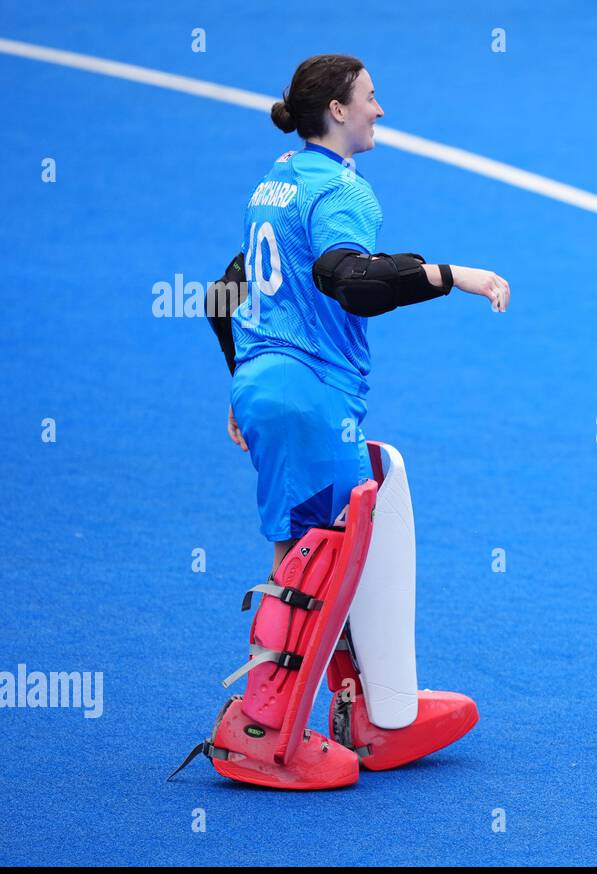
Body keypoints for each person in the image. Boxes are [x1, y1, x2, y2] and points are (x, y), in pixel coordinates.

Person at [179, 54, 508, 789]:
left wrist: (245, 384)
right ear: (335, 109)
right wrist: (453, 276)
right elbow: (351, 282)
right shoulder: (339, 189)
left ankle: (362, 714)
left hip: (273, 389)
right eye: (369, 97)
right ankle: (266, 734)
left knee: (315, 553)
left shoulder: (277, 179)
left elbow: (225, 290)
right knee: (314, 566)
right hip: (311, 397)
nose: (380, 110)